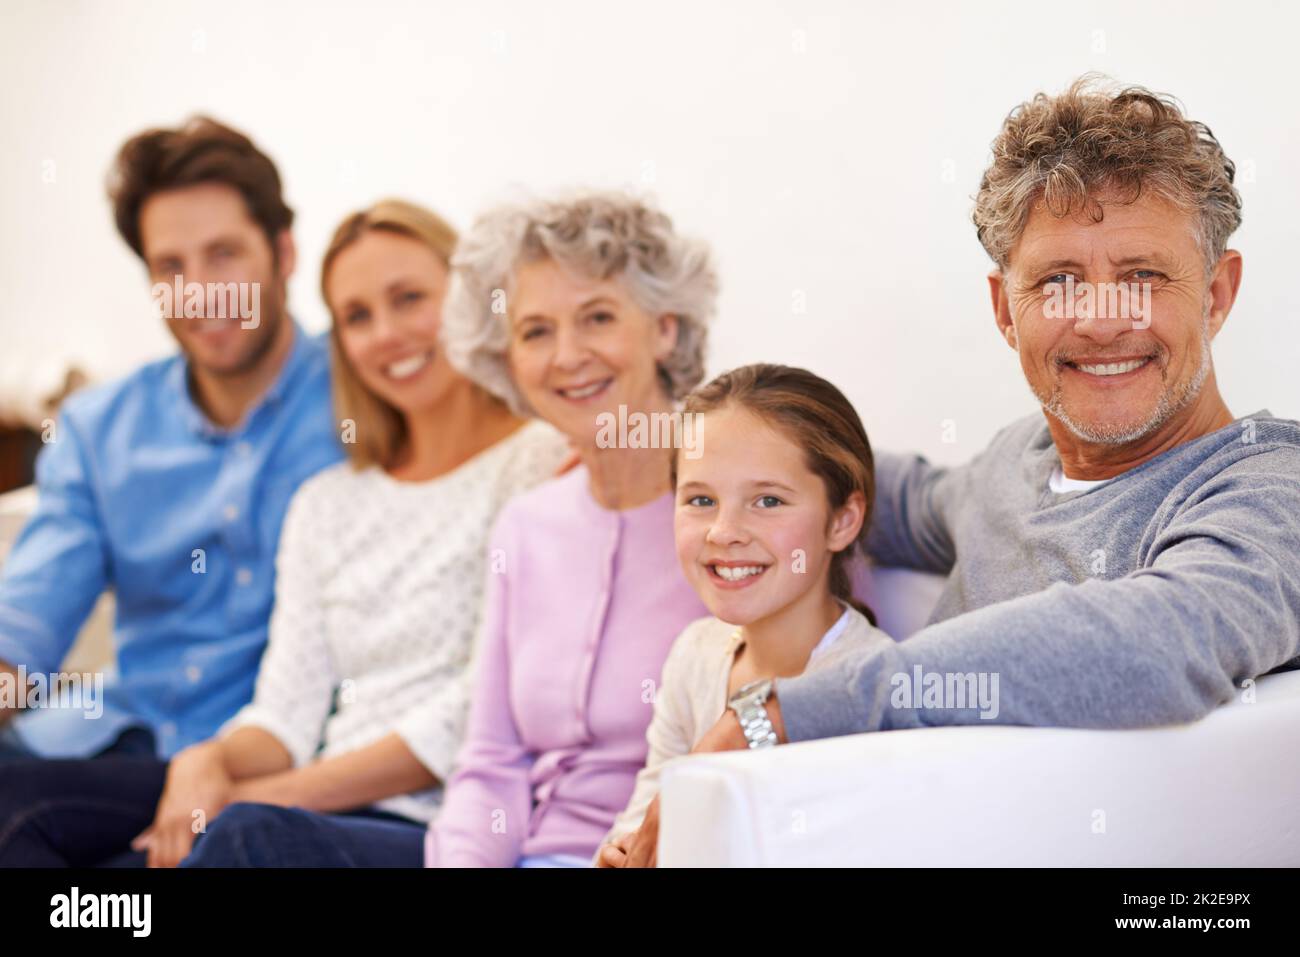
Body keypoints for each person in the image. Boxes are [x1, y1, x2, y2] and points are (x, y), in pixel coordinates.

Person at [620, 75, 1300, 867]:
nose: (1101, 318)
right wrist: (657, 438)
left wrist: (780, 714)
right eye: (1057, 281)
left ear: (1217, 294)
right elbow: (860, 483)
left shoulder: (1266, 483)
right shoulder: (1016, 462)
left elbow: (1155, 644)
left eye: (1144, 275)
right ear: (1005, 311)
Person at [157, 200, 564, 868]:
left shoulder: (544, 462)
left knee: (249, 837)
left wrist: (276, 796)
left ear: (469, 302)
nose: (388, 334)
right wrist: (210, 758)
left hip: (451, 821)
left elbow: (484, 705)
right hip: (318, 818)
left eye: (410, 299)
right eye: (357, 316)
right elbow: (286, 710)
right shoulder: (325, 502)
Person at [0, 116, 341, 762]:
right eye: (170, 265)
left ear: (284, 253)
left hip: (280, 772)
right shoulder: (97, 429)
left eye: (223, 254)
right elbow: (26, 628)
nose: (201, 293)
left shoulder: (367, 403)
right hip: (118, 741)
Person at [423, 191, 715, 866]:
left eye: (598, 317)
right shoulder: (526, 526)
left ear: (665, 328)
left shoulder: (737, 513)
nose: (568, 355)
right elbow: (491, 759)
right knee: (256, 835)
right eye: (535, 332)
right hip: (526, 855)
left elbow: (786, 728)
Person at [596, 364, 895, 867]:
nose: (723, 531)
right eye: (701, 499)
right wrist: (620, 853)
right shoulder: (696, 653)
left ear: (843, 520)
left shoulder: (870, 688)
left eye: (768, 500)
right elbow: (645, 815)